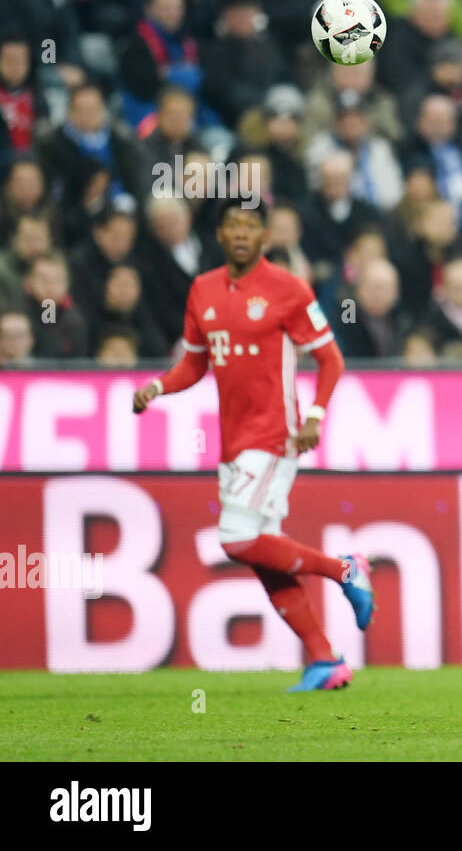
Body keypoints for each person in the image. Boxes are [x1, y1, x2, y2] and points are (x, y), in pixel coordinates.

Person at [131, 199, 373, 693]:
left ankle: (345, 570)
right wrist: (157, 386)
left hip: (276, 434)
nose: (242, 233)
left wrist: (314, 416)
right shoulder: (202, 289)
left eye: (251, 226)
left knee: (235, 538)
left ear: (265, 235)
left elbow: (331, 359)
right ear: (220, 234)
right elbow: (194, 364)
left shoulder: (289, 289)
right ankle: (325, 659)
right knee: (263, 553)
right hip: (233, 441)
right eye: (233, 225)